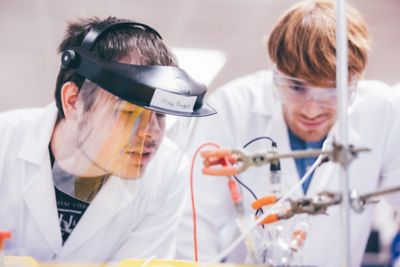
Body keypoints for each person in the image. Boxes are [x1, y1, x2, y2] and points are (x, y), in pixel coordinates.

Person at [176, 1, 400, 267]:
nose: (311, 109)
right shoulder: (232, 107)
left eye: (331, 91)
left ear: (355, 81)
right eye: (296, 88)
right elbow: (193, 221)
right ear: (275, 72)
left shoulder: (383, 111)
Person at [0, 16, 215, 262]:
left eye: (161, 115)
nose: (152, 133)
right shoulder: (4, 141)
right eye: (130, 113)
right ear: (73, 101)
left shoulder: (166, 172)